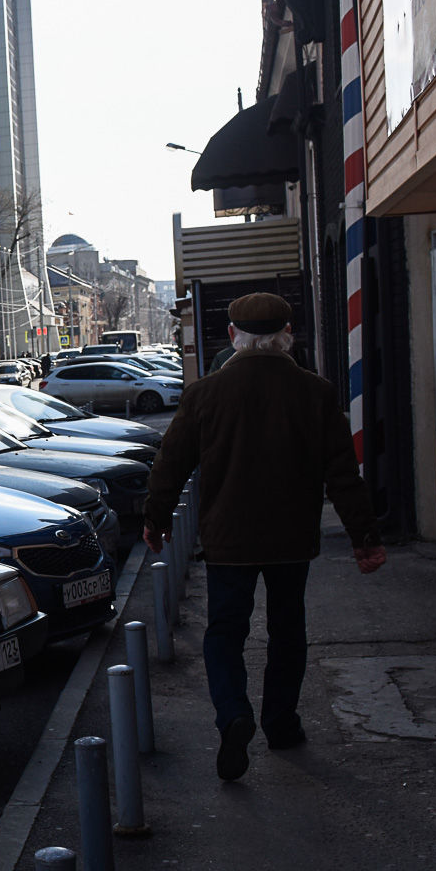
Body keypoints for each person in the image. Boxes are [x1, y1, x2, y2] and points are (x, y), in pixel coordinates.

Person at [142, 291, 386, 782]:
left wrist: (157, 518)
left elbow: (170, 464)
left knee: (224, 633)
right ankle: (281, 723)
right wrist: (364, 537)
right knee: (287, 630)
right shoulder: (315, 393)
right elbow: (342, 474)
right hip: (290, 538)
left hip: (228, 539)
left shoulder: (205, 394)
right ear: (287, 335)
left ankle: (233, 714)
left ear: (233, 335)